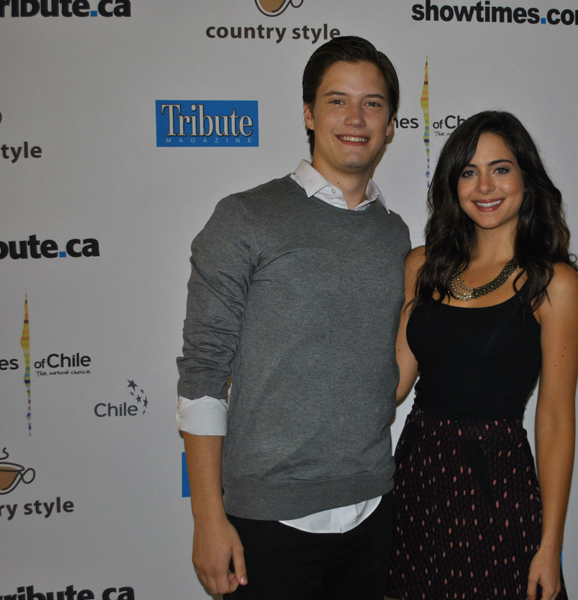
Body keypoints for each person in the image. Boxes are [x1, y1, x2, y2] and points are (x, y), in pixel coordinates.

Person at [176, 36, 411, 600]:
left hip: (374, 510)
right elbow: (203, 374)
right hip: (267, 522)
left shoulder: (395, 234)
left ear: (390, 125)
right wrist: (207, 518)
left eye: (372, 103)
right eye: (337, 101)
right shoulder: (245, 217)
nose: (355, 118)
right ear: (309, 114)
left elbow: (387, 375)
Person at [386, 111, 578, 600]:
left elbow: (556, 419)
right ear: (453, 184)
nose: (484, 186)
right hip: (417, 478)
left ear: (526, 177)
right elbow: (393, 385)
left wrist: (550, 544)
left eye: (500, 169)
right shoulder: (422, 265)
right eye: (468, 172)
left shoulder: (553, 285)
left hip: (497, 485)